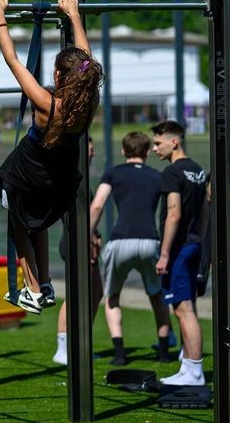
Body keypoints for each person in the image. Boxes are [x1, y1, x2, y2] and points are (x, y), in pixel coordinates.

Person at [0, 0, 104, 314]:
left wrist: (0, 15)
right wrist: (75, 16)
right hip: (58, 178)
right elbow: (86, 62)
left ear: (57, 77)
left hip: (25, 174)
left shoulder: (46, 102)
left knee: (18, 225)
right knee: (36, 225)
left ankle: (33, 288)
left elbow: (13, 60)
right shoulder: (88, 103)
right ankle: (47, 282)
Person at [87, 131, 173, 365]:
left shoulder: (113, 173)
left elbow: (97, 206)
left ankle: (119, 354)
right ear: (147, 152)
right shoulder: (158, 176)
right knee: (157, 296)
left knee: (112, 296)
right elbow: (170, 210)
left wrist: (88, 235)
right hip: (149, 241)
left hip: (120, 241)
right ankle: (164, 352)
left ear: (123, 151)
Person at [151, 120, 208, 386]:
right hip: (196, 244)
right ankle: (188, 366)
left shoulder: (172, 173)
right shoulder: (197, 170)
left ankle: (195, 370)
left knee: (183, 309)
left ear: (174, 142)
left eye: (157, 142)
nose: (154, 148)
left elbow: (174, 213)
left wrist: (164, 254)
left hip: (180, 249)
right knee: (185, 308)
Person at [50, 136, 103, 366]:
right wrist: (88, 237)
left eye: (93, 150)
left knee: (96, 292)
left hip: (88, 240)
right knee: (76, 295)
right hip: (75, 241)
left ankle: (81, 341)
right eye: (90, 149)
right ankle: (63, 346)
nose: (92, 153)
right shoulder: (69, 175)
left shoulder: (82, 176)